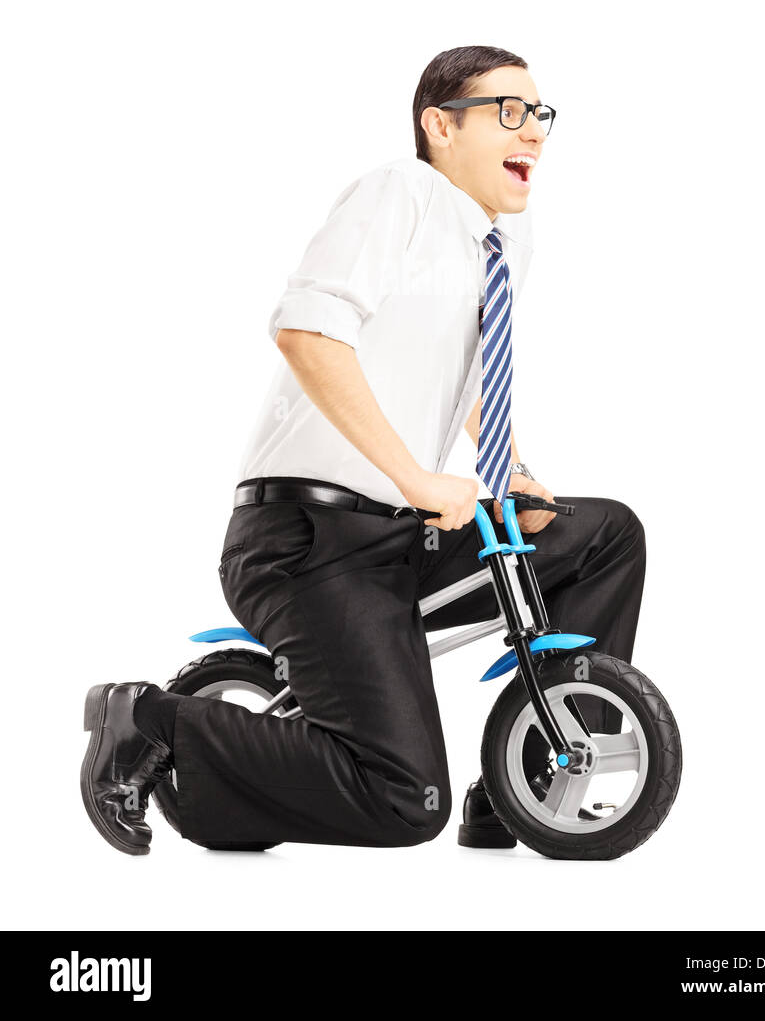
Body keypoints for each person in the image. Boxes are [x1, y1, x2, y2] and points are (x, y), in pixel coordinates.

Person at [80, 44, 646, 855]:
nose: (536, 134)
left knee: (603, 536)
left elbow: (475, 388)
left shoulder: (503, 246)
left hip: (405, 536)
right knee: (403, 802)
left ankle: (531, 772)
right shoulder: (402, 193)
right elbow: (307, 332)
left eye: (541, 116)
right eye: (509, 112)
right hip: (311, 543)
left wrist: (512, 472)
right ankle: (146, 718)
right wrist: (415, 477)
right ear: (440, 126)